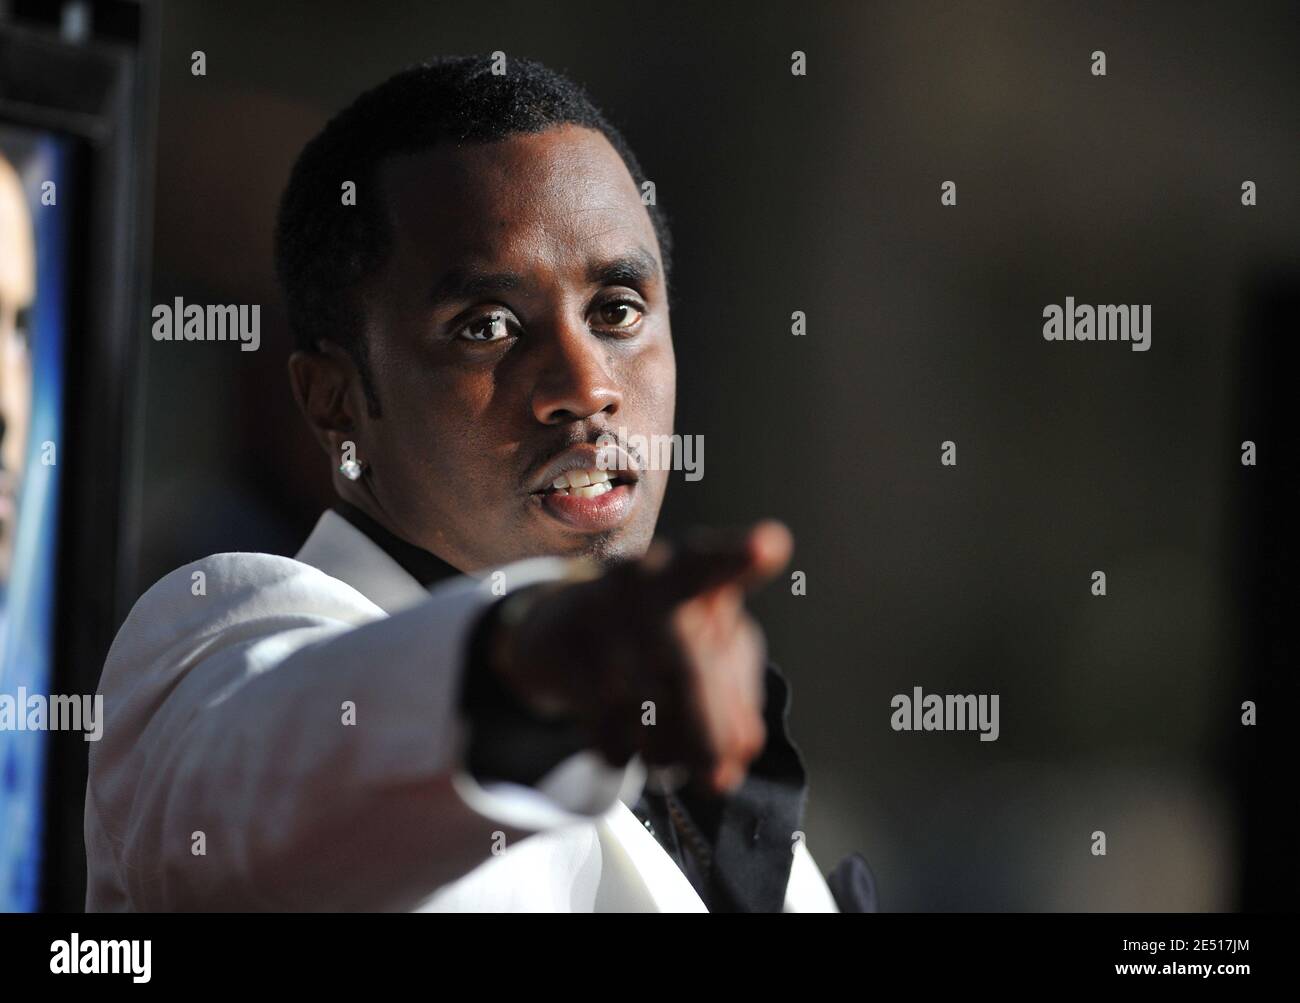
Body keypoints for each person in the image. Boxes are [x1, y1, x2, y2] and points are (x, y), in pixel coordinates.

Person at [85, 55, 872, 912]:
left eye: (617, 309)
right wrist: (531, 664)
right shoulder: (219, 646)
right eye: (486, 327)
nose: (586, 383)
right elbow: (260, 790)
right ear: (335, 401)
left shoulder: (694, 764)